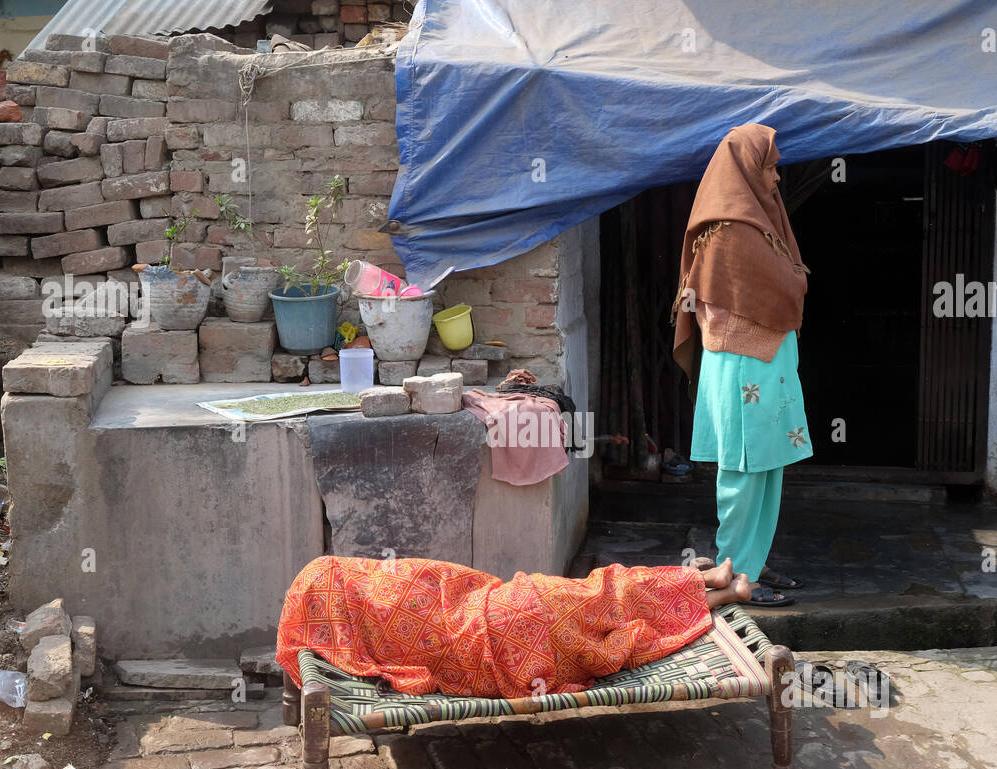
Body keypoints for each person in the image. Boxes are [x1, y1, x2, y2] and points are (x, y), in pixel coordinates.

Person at [276, 555, 751, 699]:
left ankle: (720, 591)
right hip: (506, 606)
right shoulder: (390, 580)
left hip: (510, 653)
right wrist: (489, 594)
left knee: (612, 632)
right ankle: (706, 580)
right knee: (603, 593)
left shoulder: (365, 648)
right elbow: (456, 577)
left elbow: (410, 676)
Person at [672, 123, 813, 607]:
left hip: (766, 362)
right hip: (742, 365)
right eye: (768, 167)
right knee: (742, 470)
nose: (775, 178)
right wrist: (791, 284)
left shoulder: (758, 219)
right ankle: (733, 575)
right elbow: (763, 292)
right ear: (746, 168)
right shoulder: (727, 229)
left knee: (767, 467)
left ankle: (755, 562)